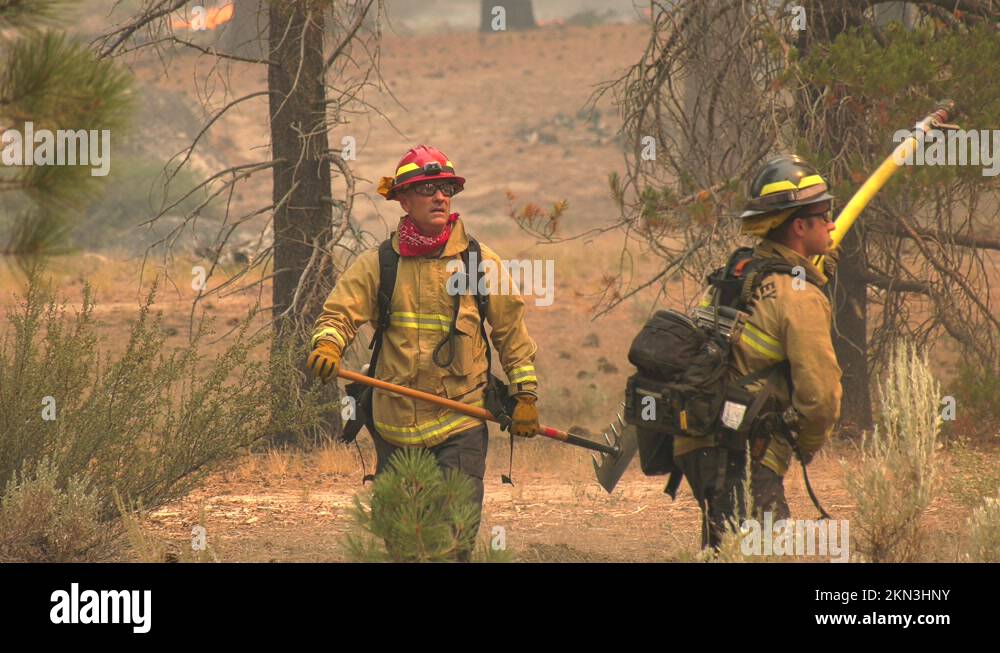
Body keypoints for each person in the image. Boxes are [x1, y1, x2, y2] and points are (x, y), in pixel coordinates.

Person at [306, 145, 540, 552]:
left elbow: (511, 335)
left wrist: (526, 396)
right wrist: (328, 344)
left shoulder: (480, 264)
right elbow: (338, 315)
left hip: (459, 423)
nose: (440, 197)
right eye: (427, 188)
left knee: (452, 541)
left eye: (446, 188)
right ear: (403, 199)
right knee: (404, 544)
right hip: (394, 427)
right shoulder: (380, 264)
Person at [674, 154, 844, 548]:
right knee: (758, 550)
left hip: (699, 442)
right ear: (800, 226)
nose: (833, 222)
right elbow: (821, 396)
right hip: (749, 451)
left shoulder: (738, 274)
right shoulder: (800, 297)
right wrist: (807, 443)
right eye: (824, 214)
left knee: (724, 545)